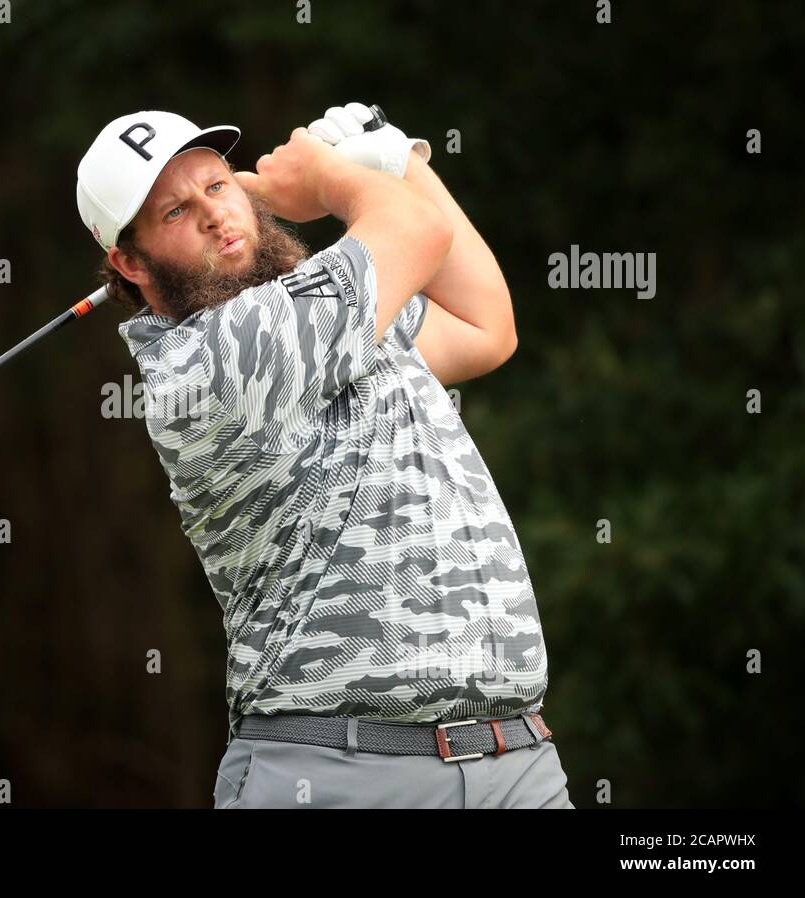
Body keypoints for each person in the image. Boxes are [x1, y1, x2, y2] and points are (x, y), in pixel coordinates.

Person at [76, 106, 573, 809]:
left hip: (515, 763)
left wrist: (402, 162)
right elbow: (415, 232)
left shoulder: (323, 312)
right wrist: (333, 176)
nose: (217, 215)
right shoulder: (209, 364)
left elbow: (485, 326)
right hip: (341, 773)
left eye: (218, 186)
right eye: (175, 213)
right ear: (129, 263)